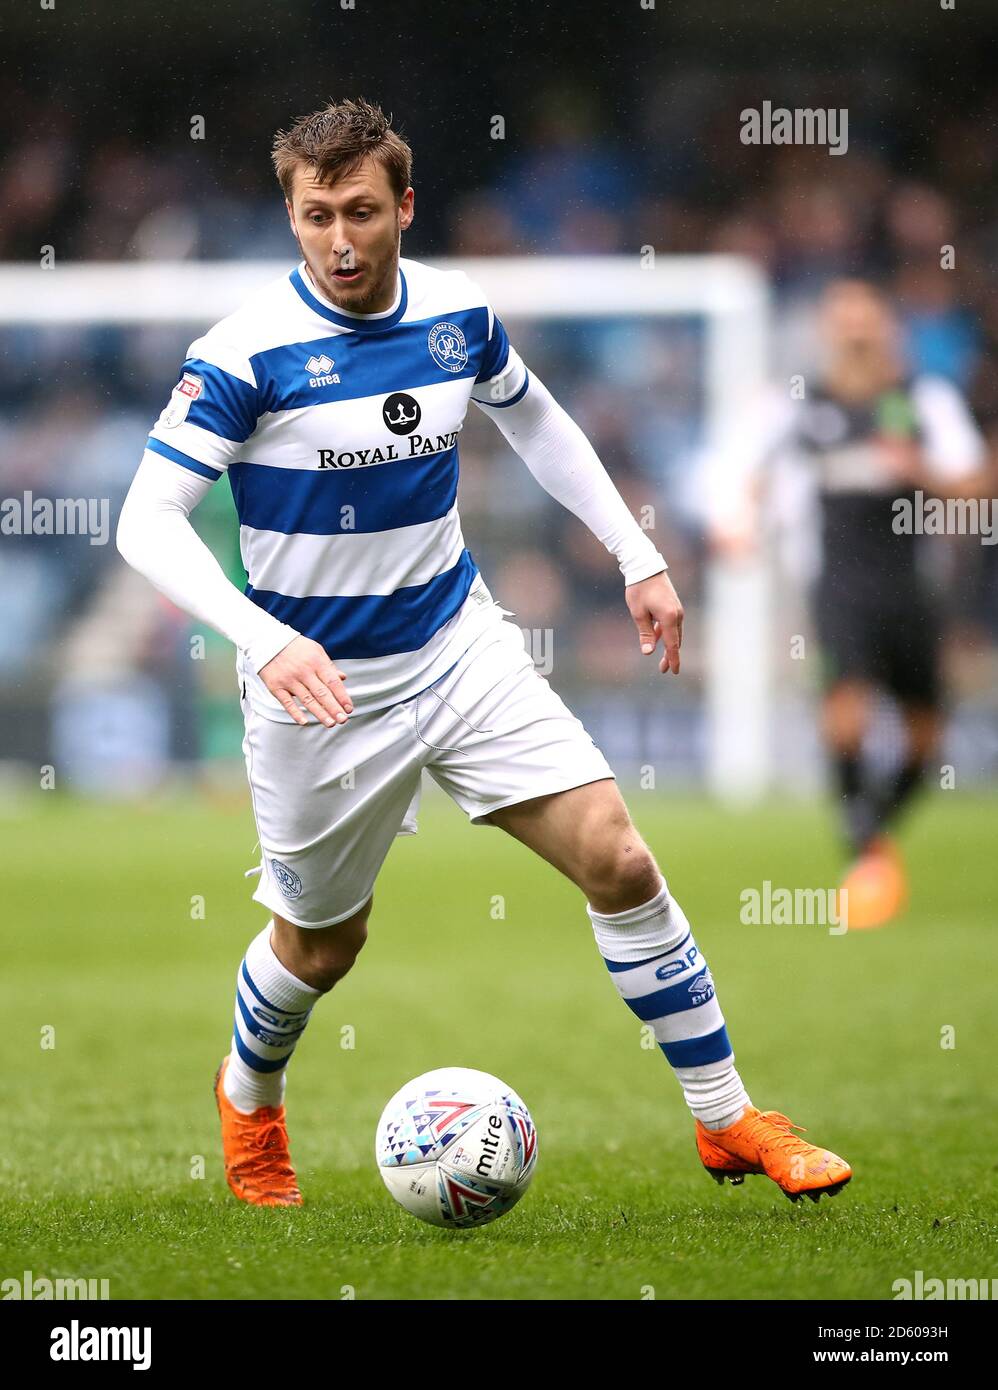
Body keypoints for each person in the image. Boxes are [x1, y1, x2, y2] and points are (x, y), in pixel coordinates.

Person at [116, 97, 850, 1208]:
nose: (341, 239)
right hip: (320, 690)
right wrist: (264, 641)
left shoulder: (456, 315)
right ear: (292, 216)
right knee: (321, 947)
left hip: (458, 646)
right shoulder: (244, 356)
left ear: (405, 205)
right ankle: (250, 1094)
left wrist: (634, 554)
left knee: (620, 858)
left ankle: (726, 1118)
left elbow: (538, 420)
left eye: (362, 210)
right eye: (316, 216)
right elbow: (144, 521)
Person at [710, 279, 990, 928]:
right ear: (829, 334)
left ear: (888, 330)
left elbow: (975, 486)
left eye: (867, 324)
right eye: (845, 325)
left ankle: (872, 835)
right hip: (836, 583)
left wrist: (919, 469)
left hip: (913, 586)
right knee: (845, 708)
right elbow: (747, 471)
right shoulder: (799, 405)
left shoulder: (925, 400)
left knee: (925, 736)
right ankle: (865, 851)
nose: (857, 336)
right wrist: (741, 522)